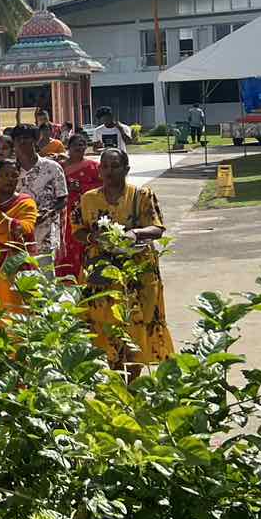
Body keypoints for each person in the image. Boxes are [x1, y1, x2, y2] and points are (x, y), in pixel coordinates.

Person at [74, 148, 176, 374]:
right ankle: (115, 375)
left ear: (126, 169)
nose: (109, 171)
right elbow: (78, 230)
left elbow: (157, 228)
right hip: (102, 273)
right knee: (105, 324)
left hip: (137, 272)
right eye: (105, 167)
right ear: (99, 170)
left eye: (115, 166)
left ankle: (133, 379)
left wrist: (136, 233)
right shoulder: (88, 199)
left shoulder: (141, 195)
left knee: (136, 325)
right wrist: (94, 238)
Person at [0, 160, 38, 311]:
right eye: (4, 175)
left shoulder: (25, 202)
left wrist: (1, 218)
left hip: (14, 262)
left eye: (14, 176)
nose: (9, 179)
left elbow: (27, 227)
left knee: (14, 307)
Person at [12, 125, 68, 268]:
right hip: (16, 235)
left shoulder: (52, 167)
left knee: (45, 276)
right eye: (18, 139)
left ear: (35, 140)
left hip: (45, 232)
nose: (22, 142)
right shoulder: (9, 170)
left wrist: (48, 213)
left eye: (26, 138)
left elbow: (62, 198)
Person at [56, 131, 102, 278]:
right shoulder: (58, 167)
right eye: (76, 145)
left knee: (84, 239)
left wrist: (81, 187)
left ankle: (85, 274)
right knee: (66, 240)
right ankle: (66, 276)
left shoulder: (94, 166)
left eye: (82, 144)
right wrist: (67, 188)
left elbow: (103, 186)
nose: (79, 147)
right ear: (68, 147)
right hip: (65, 210)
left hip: (87, 210)